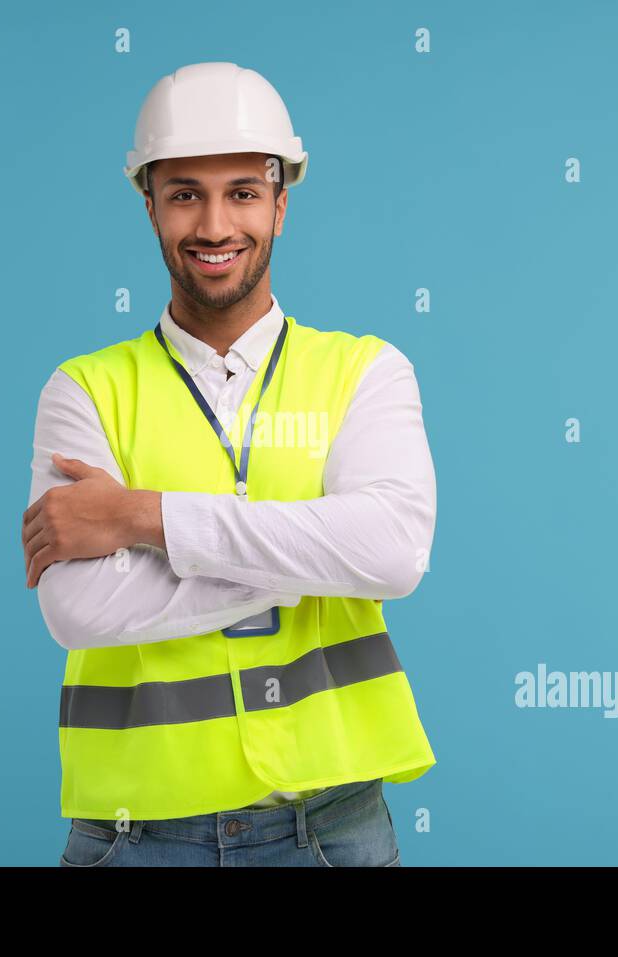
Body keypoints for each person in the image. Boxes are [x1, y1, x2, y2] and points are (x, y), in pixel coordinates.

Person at [22, 62, 436, 866]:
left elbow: (392, 553)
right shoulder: (84, 391)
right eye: (185, 194)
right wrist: (321, 553)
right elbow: (79, 610)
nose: (215, 224)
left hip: (332, 827)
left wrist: (144, 518)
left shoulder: (366, 371)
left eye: (243, 191)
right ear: (149, 206)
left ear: (282, 202)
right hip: (136, 835)